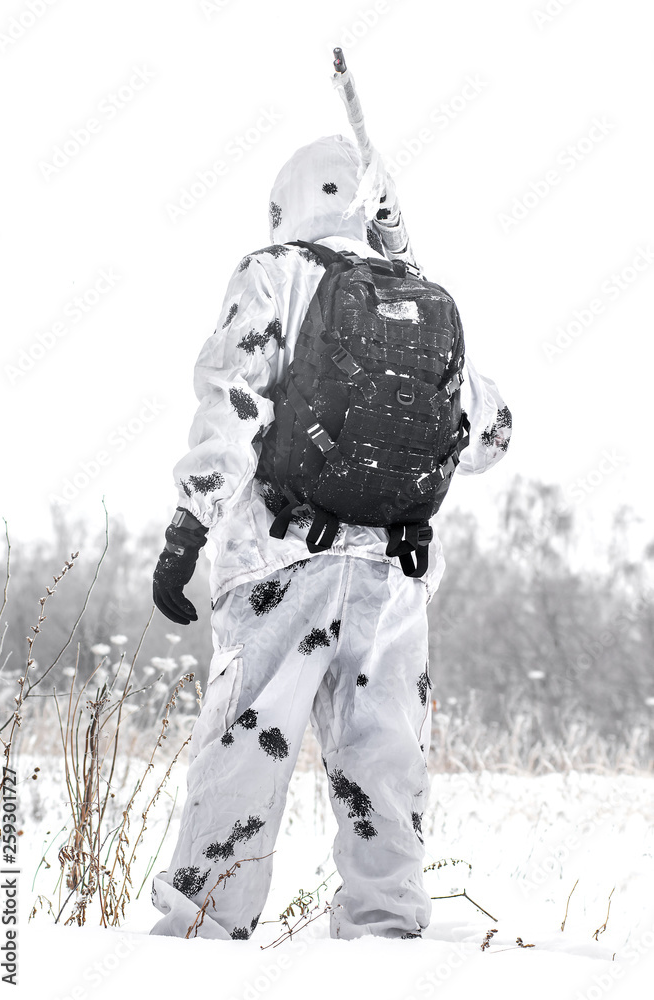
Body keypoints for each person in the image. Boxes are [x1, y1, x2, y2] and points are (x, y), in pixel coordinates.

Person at [149, 134, 511, 941]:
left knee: (245, 753)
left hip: (283, 563)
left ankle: (202, 939)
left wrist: (188, 527)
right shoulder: (425, 294)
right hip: (395, 574)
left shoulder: (274, 272)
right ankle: (386, 939)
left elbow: (233, 405)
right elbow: (490, 438)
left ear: (288, 204)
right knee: (383, 766)